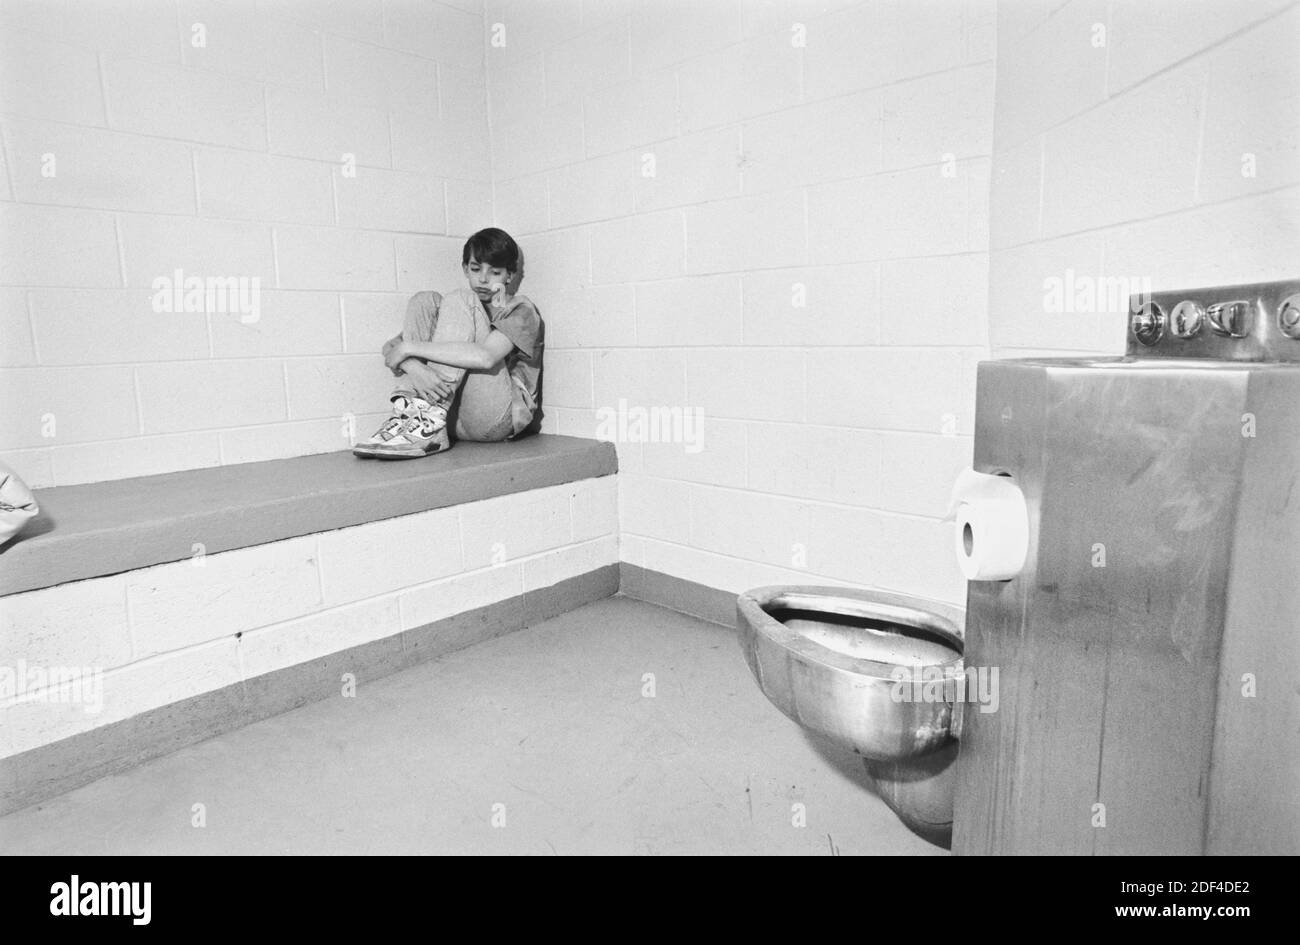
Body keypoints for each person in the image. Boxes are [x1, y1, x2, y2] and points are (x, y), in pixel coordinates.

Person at [353, 228, 543, 459]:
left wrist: (408, 349)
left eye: (495, 272)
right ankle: (415, 416)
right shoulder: (456, 315)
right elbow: (391, 349)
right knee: (425, 300)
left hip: (495, 420)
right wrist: (416, 368)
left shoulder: (520, 309)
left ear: (509, 276)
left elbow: (486, 357)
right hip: (451, 421)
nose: (483, 279)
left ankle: (429, 415)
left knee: (462, 298)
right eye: (475, 269)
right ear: (465, 268)